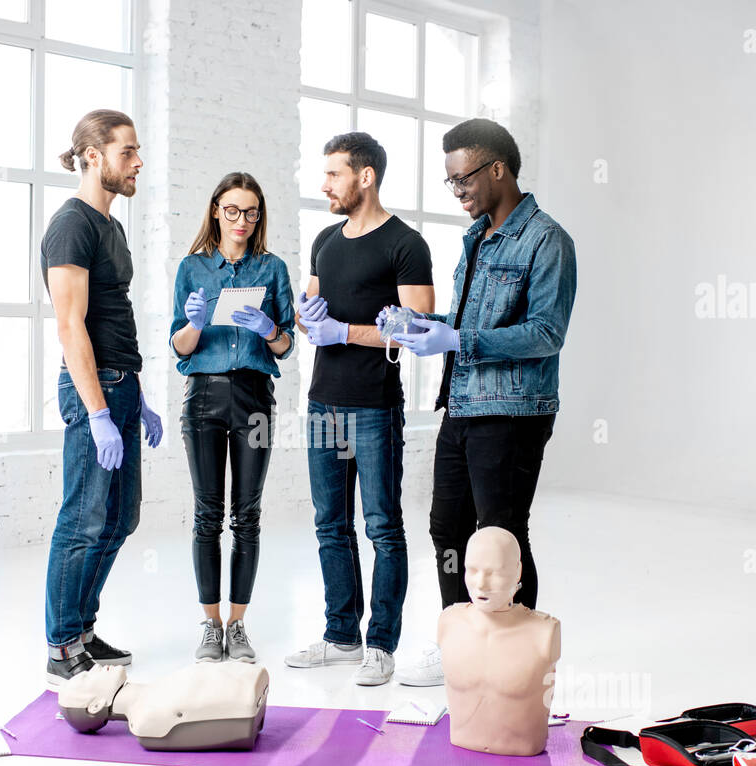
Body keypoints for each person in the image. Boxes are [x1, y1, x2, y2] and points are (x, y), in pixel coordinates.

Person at [388, 118, 576, 688]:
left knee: (501, 537)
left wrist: (459, 340)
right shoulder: (475, 238)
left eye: (462, 178)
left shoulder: (547, 240)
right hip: (464, 405)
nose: (458, 190)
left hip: (515, 412)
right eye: (450, 182)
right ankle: (461, 645)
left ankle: (521, 660)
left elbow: (547, 332)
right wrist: (422, 324)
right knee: (448, 528)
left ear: (497, 169)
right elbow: (469, 324)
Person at [283, 132, 434, 686]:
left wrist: (342, 330)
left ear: (365, 176)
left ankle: (381, 645)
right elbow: (310, 312)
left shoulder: (405, 244)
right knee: (330, 525)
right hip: (322, 401)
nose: (325, 184)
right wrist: (307, 315)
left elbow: (418, 328)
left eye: (334, 174)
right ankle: (340, 637)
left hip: (373, 405)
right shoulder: (326, 239)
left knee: (383, 527)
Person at [41, 109, 164, 689]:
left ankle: (83, 629)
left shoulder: (110, 227)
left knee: (121, 516)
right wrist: (96, 413)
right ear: (93, 155)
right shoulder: (71, 226)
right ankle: (62, 645)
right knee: (83, 518)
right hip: (93, 390)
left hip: (122, 386)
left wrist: (140, 396)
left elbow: (117, 320)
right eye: (127, 152)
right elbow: (72, 328)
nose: (138, 162)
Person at [169, 173, 296, 664]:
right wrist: (196, 324)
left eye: (250, 212)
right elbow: (179, 345)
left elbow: (284, 344)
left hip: (254, 396)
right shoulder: (192, 268)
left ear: (258, 216)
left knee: (247, 515)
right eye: (232, 210)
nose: (241, 221)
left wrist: (269, 329)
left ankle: (238, 625)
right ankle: (210, 624)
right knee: (207, 515)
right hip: (203, 396)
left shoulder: (272, 268)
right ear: (216, 211)